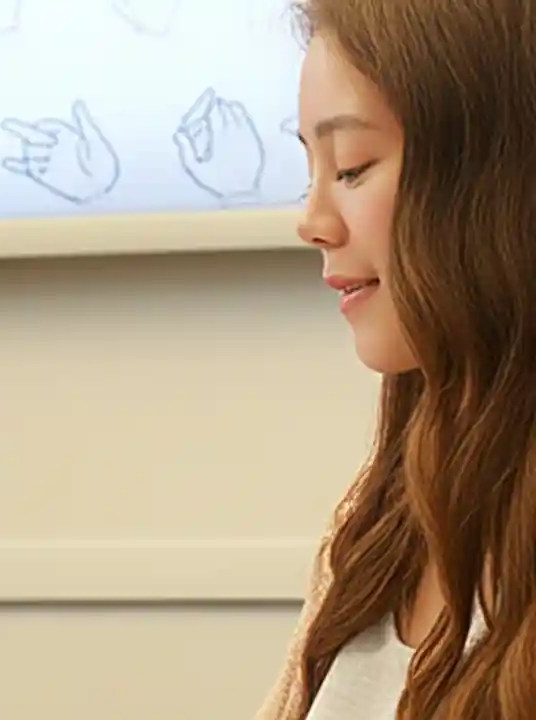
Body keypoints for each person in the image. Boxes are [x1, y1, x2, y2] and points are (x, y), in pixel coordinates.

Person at [255, 1, 536, 718]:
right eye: (309, 169)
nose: (312, 222)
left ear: (495, 177)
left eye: (350, 167)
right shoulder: (373, 521)